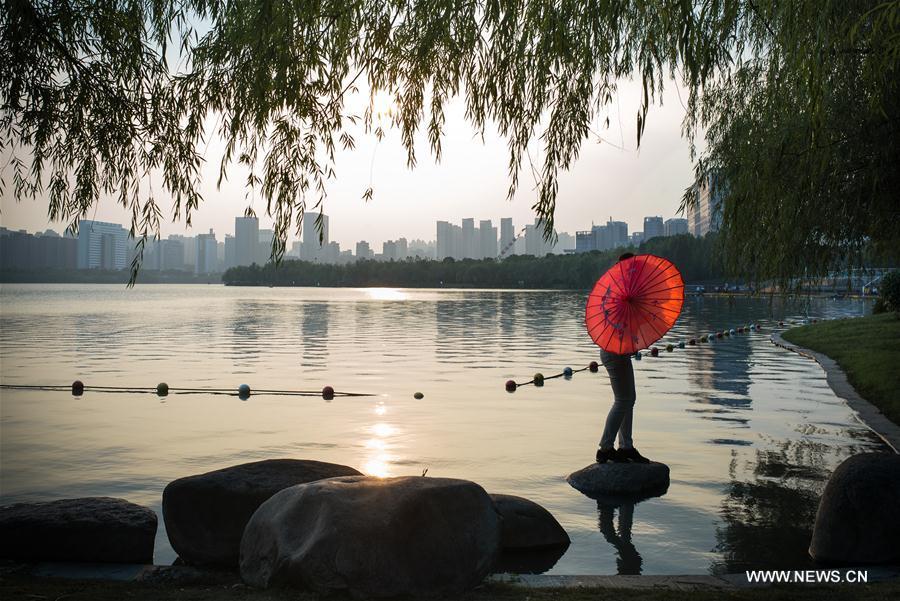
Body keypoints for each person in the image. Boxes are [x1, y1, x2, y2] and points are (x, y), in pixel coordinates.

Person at [595, 252, 651, 464]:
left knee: (629, 399)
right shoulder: (620, 294)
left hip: (618, 351)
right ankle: (605, 448)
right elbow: (623, 326)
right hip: (613, 352)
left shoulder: (618, 290)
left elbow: (630, 326)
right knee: (622, 400)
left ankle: (626, 446)